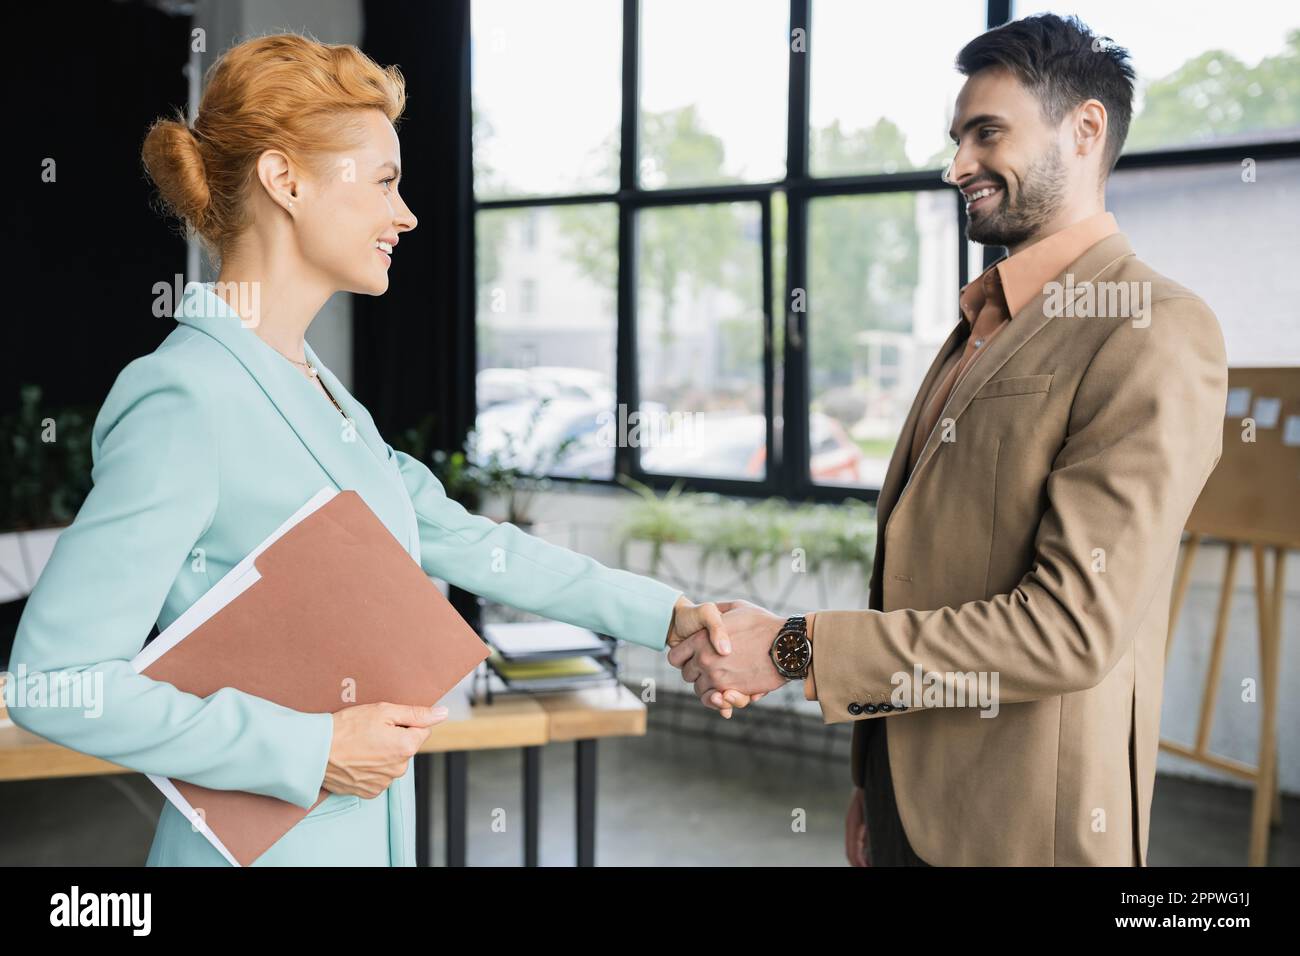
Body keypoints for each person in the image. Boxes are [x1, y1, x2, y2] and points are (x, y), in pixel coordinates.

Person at [4, 32, 739, 867]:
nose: (407, 212)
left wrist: (670, 618)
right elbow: (52, 683)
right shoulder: (186, 399)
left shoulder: (319, 389)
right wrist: (310, 748)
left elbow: (470, 542)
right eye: (386, 181)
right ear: (286, 181)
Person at [670, 14, 1228, 867]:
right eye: (957, 137)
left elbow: (1070, 630)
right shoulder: (984, 318)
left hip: (1019, 833)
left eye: (986, 133)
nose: (956, 164)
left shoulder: (1154, 328)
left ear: (1086, 130)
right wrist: (875, 781)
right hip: (908, 801)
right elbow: (924, 569)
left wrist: (795, 646)